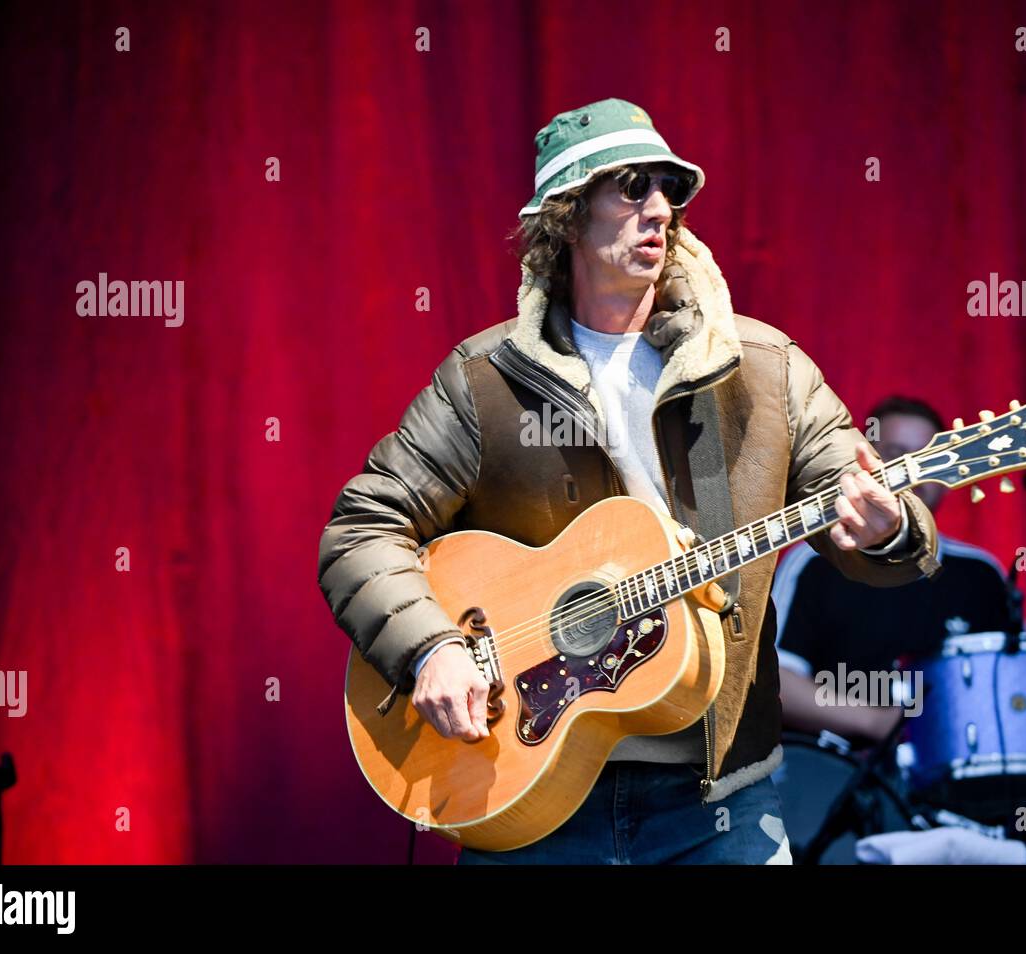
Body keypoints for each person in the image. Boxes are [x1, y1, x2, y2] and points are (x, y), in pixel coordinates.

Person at [317, 98, 941, 864]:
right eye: (633, 185)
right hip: (524, 789)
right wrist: (430, 648)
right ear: (566, 217)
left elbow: (870, 504)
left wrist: (890, 529)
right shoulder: (485, 382)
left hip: (721, 800)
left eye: (670, 190)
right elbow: (362, 529)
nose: (660, 210)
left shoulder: (763, 368)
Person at [771, 395, 1013, 747]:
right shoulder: (813, 561)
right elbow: (772, 682)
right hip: (834, 776)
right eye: (898, 454)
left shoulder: (981, 574)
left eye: (928, 456)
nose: (914, 470)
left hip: (952, 777)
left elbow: (1014, 687)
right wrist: (877, 722)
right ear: (864, 462)